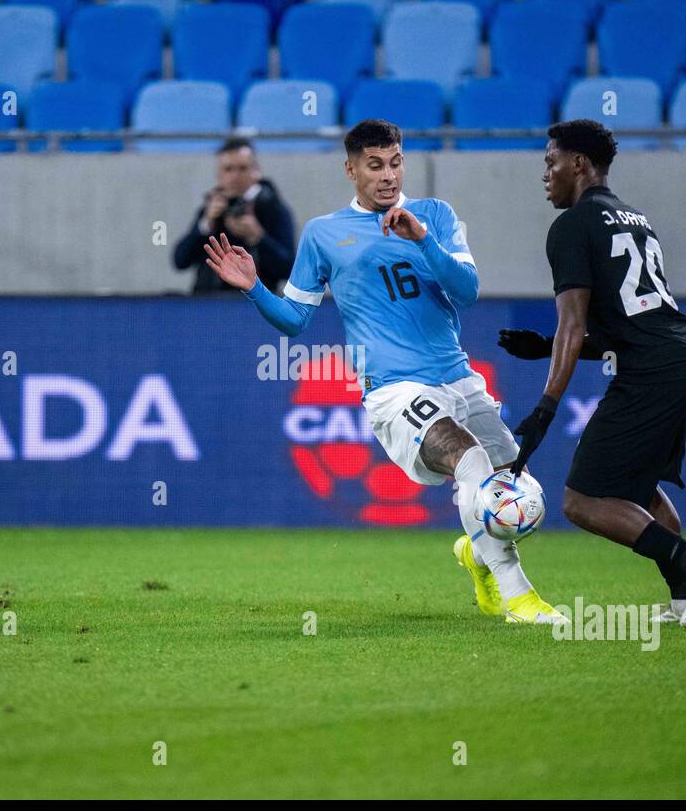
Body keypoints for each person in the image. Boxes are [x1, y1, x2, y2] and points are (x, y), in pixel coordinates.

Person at [203, 119, 565, 625]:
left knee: (517, 496)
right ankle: (520, 598)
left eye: (395, 163)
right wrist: (254, 287)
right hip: (394, 389)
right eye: (375, 165)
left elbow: (467, 291)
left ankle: (476, 555)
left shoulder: (435, 215)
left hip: (457, 378)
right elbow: (294, 321)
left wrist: (423, 242)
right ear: (351, 169)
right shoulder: (324, 234)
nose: (388, 175)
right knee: (471, 461)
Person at [501, 119, 686, 627]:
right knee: (636, 490)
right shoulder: (634, 217)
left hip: (655, 367)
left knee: (583, 501)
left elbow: (573, 324)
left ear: (580, 164)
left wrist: (544, 411)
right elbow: (620, 326)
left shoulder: (570, 227)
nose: (545, 174)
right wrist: (546, 346)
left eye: (551, 162)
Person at [172, 137, 295, 293]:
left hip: (257, 304)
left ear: (255, 171)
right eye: (228, 169)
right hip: (209, 301)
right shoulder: (210, 210)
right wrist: (205, 225)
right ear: (219, 175)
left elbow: (288, 270)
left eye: (242, 168)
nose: (235, 176)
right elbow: (180, 261)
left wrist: (258, 237)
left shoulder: (274, 209)